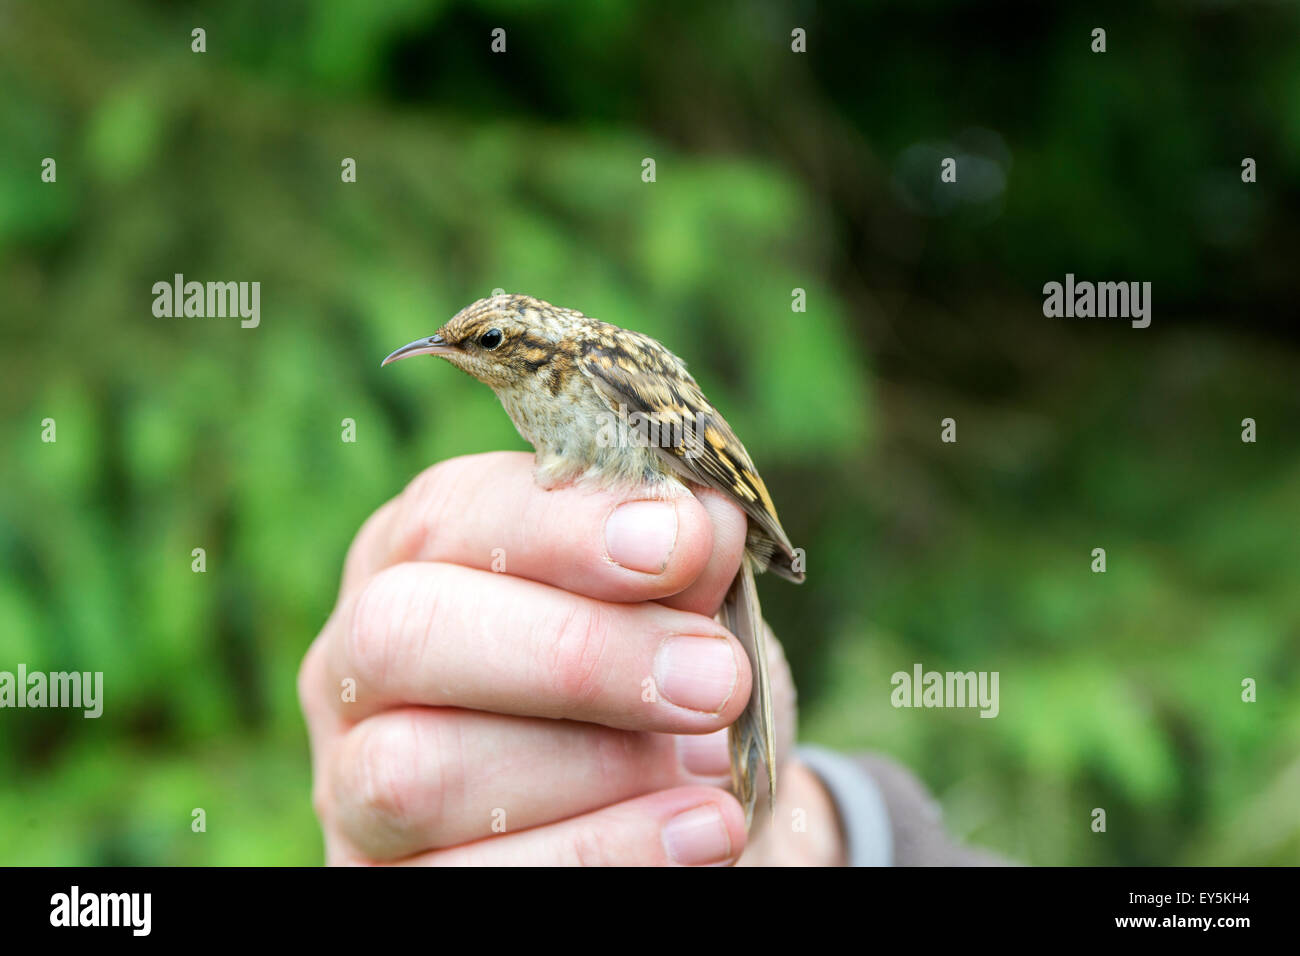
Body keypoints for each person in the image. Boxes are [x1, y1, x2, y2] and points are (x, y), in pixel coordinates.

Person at [298, 452, 1004, 865]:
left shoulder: (602, 371)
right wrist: (812, 843)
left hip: (695, 520)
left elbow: (695, 446)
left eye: (486, 344)